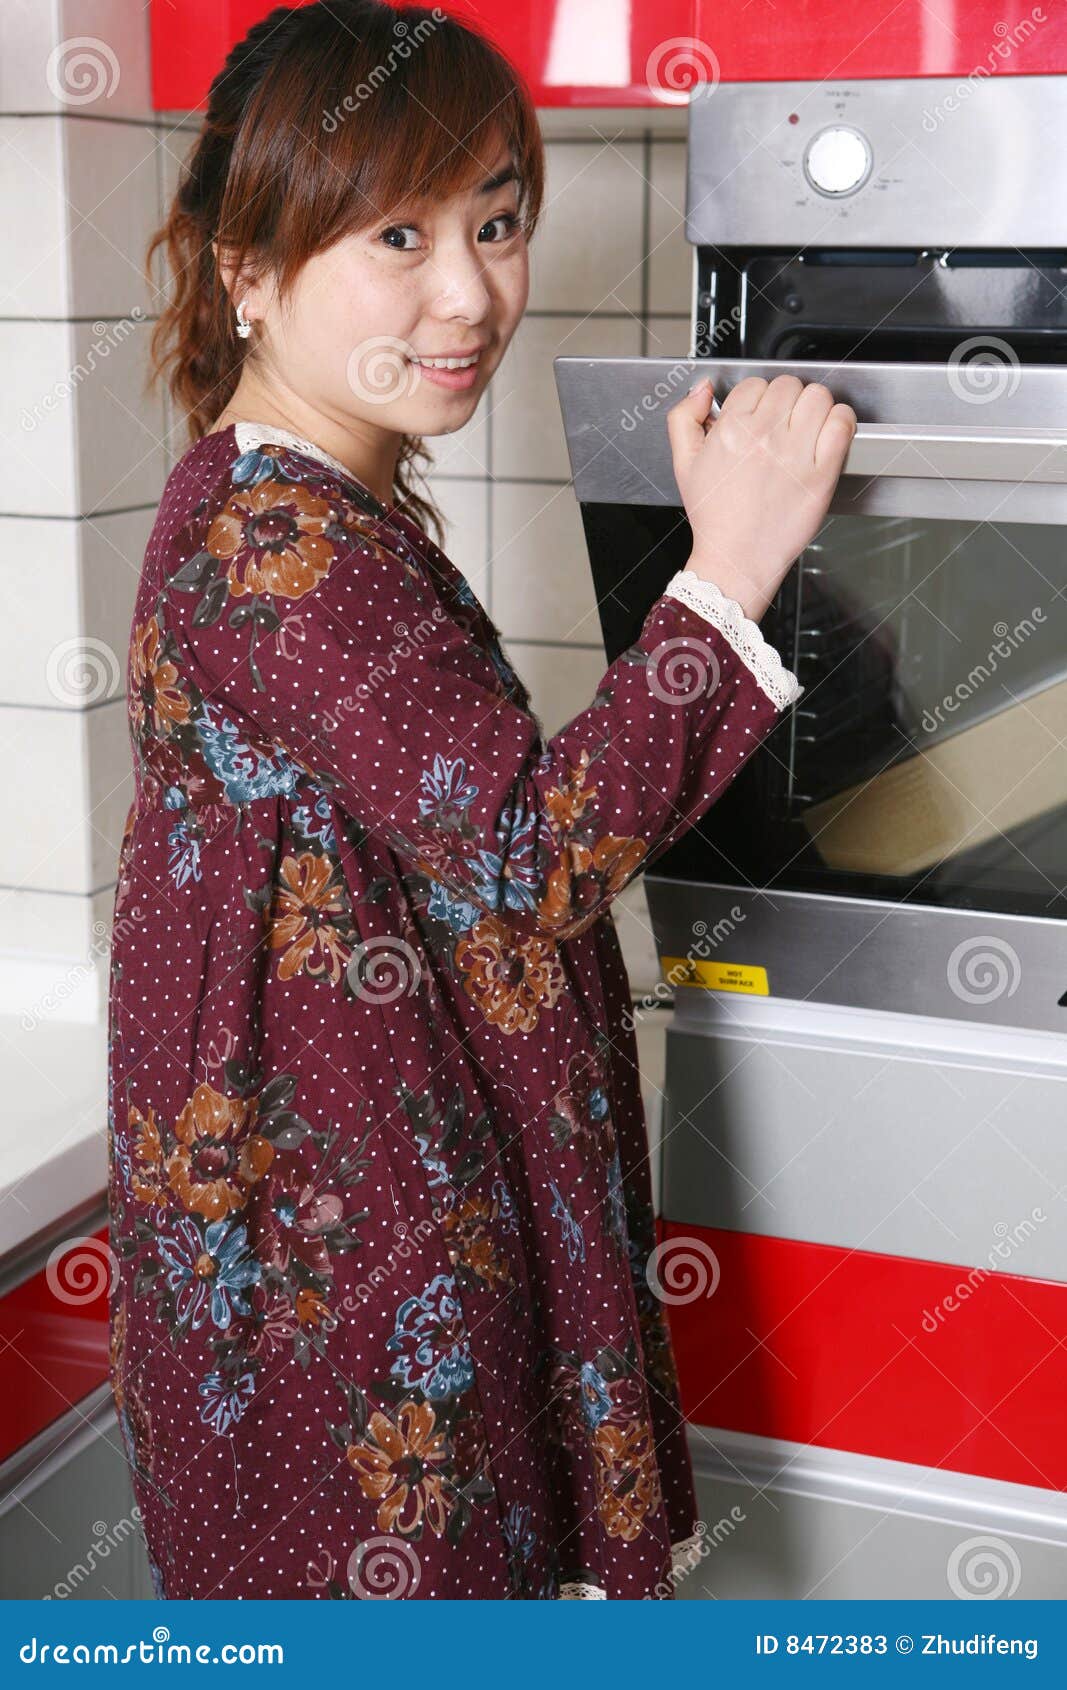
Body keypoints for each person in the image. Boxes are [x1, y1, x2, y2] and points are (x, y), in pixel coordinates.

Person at [105, 0, 856, 1600]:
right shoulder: (275, 545)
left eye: (498, 223)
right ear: (246, 261)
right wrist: (723, 570)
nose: (472, 294)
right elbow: (528, 851)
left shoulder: (314, 500)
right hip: (355, 1295)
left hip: (383, 1240)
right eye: (400, 234)